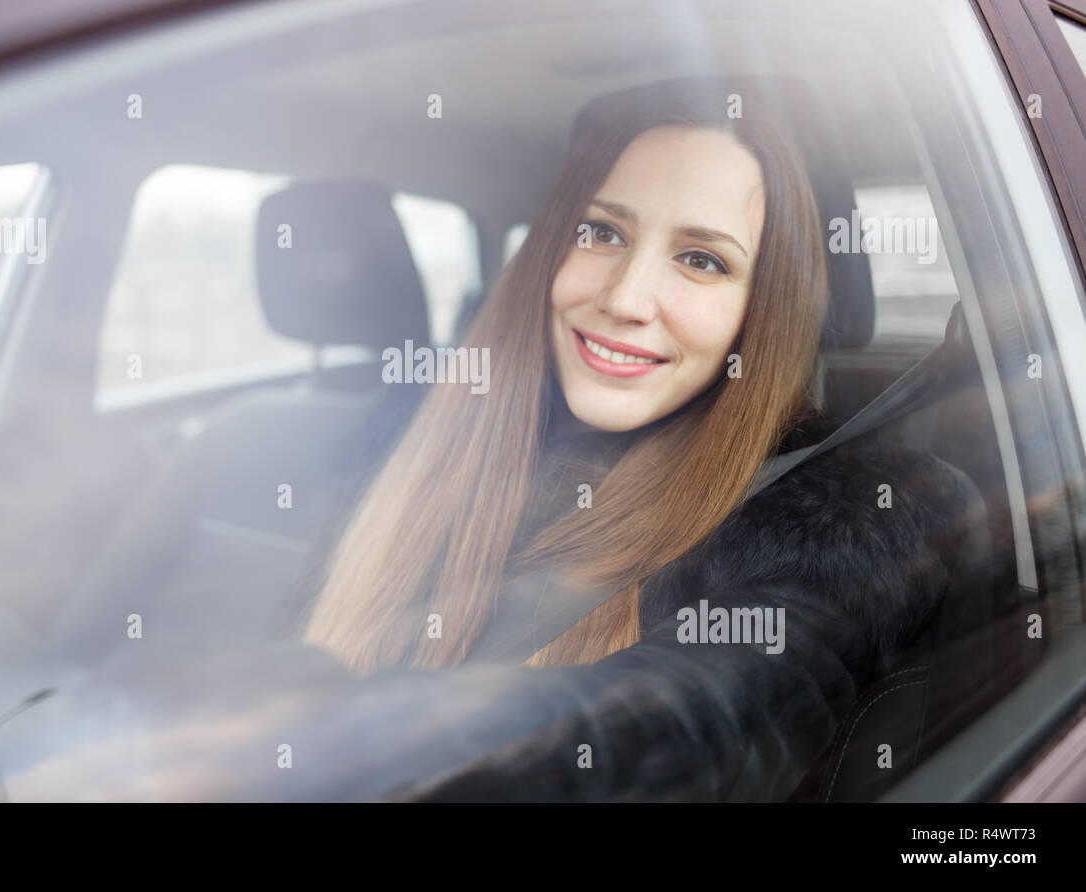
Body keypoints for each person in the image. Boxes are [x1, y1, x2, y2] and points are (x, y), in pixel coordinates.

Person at [259, 85, 973, 800]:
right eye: (602, 233)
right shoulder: (413, 442)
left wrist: (330, 751)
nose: (625, 299)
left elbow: (696, 716)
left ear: (762, 312)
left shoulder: (844, 522)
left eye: (701, 260)